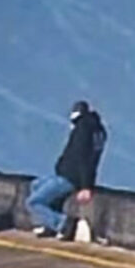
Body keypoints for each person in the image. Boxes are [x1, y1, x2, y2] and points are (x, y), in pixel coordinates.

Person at [27, 100, 108, 239]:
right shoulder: (97, 132)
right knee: (36, 185)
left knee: (34, 202)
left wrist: (85, 186)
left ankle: (63, 224)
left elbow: (82, 158)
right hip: (67, 175)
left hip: (69, 177)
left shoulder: (83, 129)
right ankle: (50, 226)